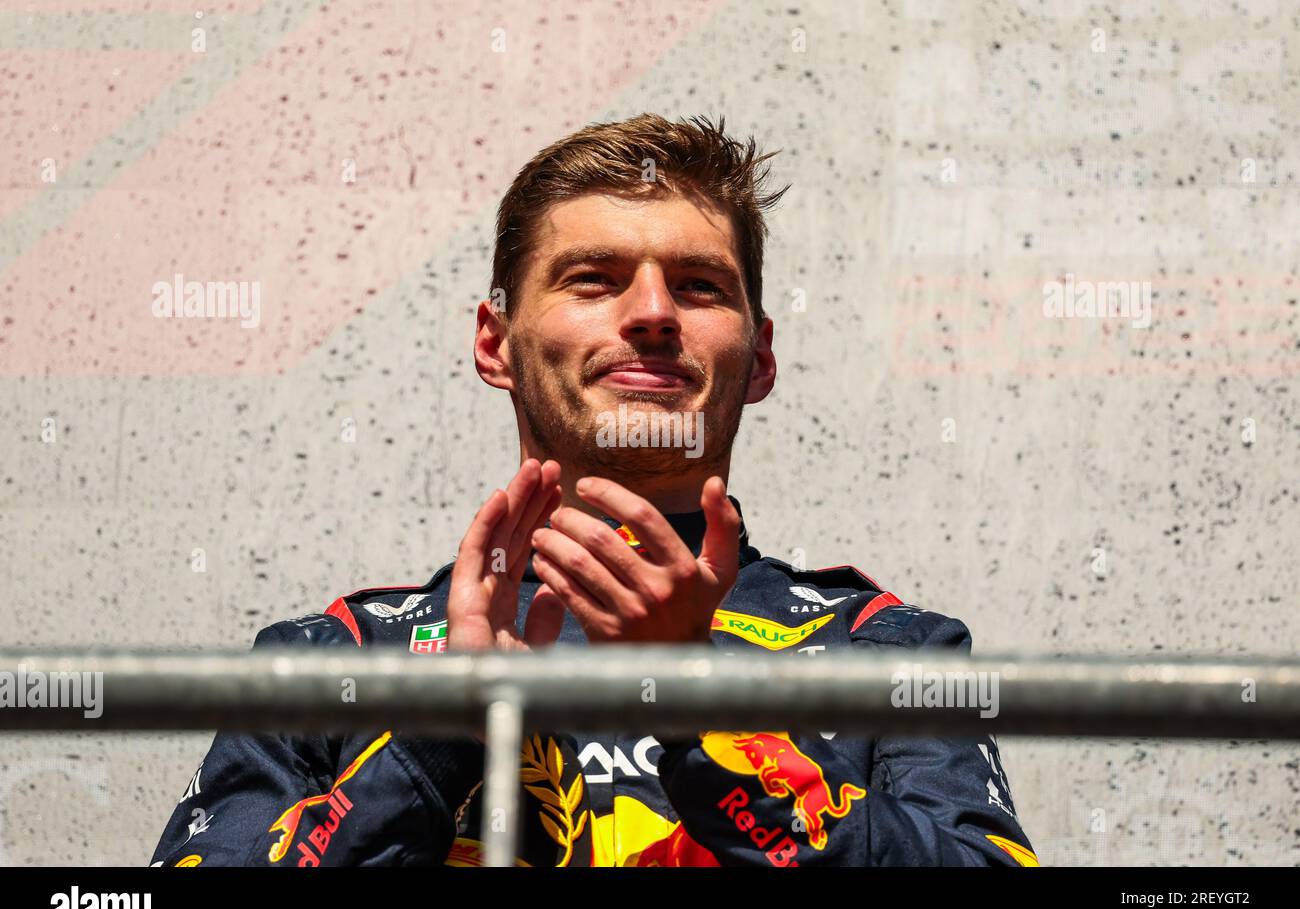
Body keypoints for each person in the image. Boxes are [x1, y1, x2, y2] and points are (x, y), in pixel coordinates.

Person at [151, 113, 1038, 867]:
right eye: (593, 279)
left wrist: (704, 713)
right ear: (495, 343)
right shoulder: (330, 657)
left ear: (760, 357)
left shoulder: (887, 649)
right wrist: (439, 727)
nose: (651, 313)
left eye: (697, 286)